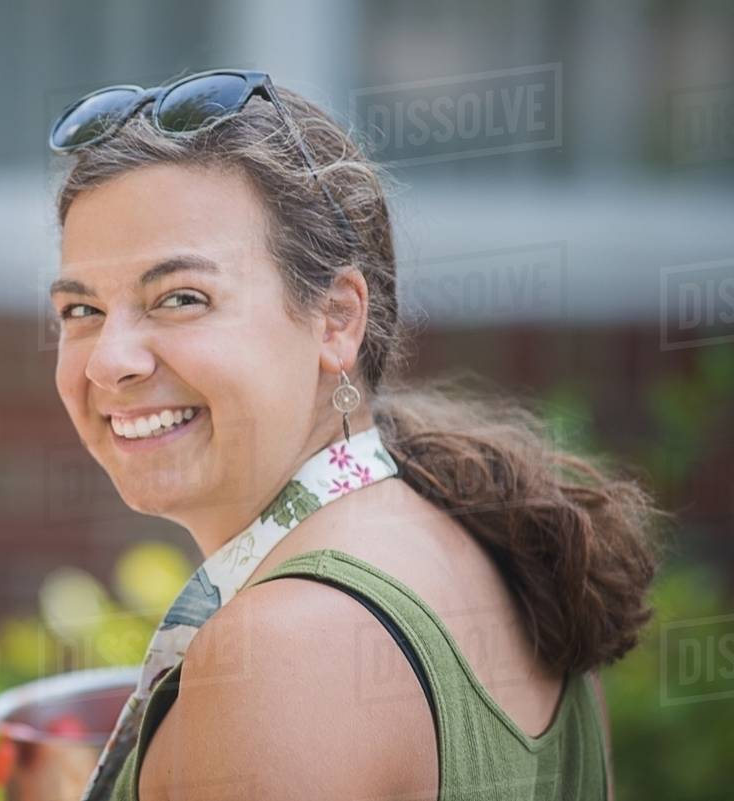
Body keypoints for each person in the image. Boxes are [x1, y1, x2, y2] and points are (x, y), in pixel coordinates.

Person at [46, 69, 663, 801]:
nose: (111, 361)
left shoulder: (283, 655)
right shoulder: (503, 547)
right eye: (81, 310)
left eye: (181, 298)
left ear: (337, 319)